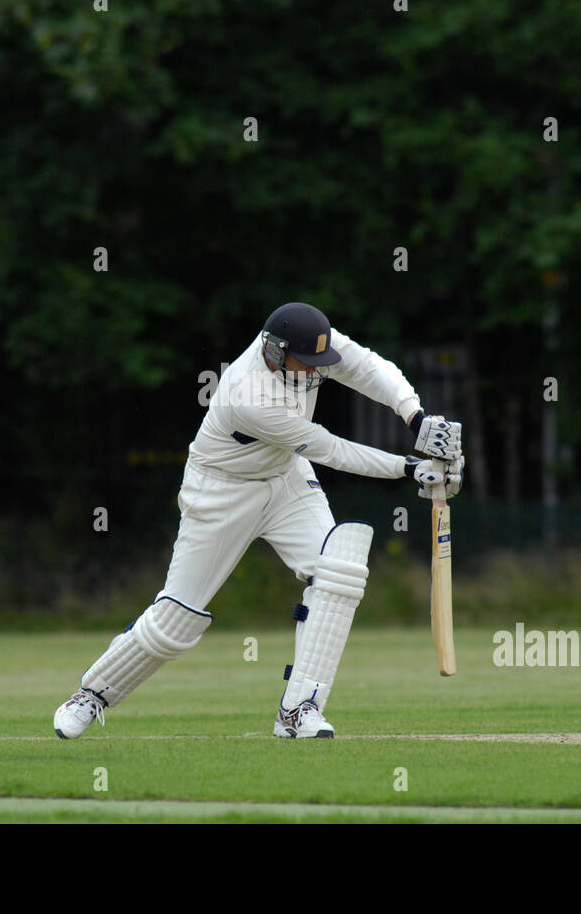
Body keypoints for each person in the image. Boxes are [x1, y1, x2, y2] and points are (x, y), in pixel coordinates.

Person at [54, 302, 464, 739]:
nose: (311, 372)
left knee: (336, 574)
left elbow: (368, 368)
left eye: (317, 364)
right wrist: (409, 468)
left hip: (286, 477)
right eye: (303, 364)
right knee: (178, 619)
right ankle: (92, 694)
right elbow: (325, 447)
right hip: (221, 490)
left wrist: (417, 417)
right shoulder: (248, 395)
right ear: (274, 349)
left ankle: (298, 710)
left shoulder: (311, 345)